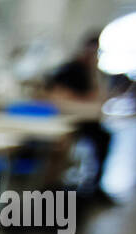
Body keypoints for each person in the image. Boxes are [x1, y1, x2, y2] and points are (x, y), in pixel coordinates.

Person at [46, 33, 112, 200]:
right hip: (64, 117)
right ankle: (51, 188)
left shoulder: (92, 72)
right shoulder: (69, 69)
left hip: (84, 119)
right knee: (62, 144)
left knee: (104, 137)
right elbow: (59, 94)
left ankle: (95, 186)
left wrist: (94, 72)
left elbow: (99, 97)